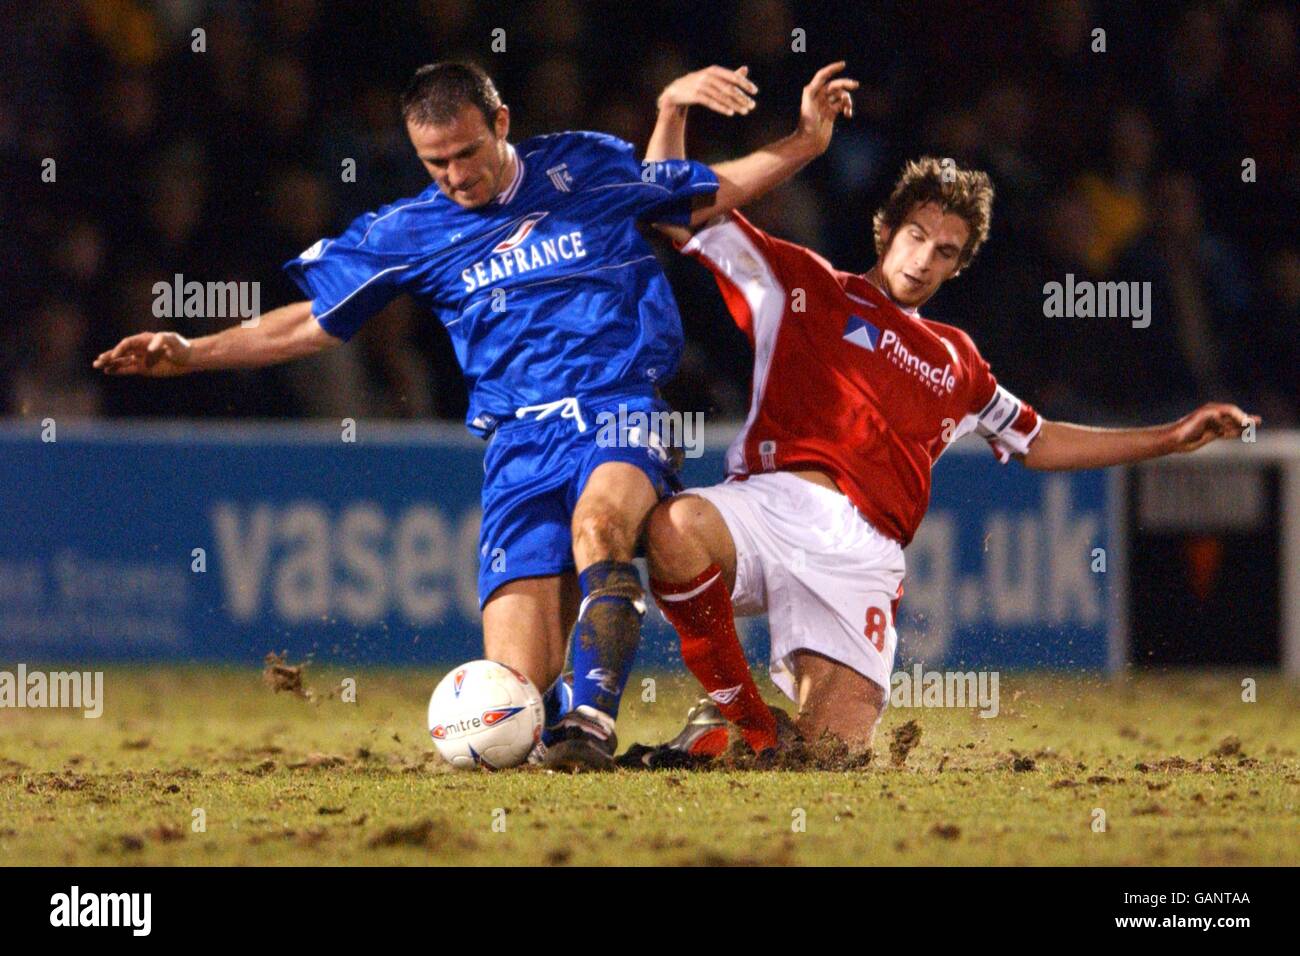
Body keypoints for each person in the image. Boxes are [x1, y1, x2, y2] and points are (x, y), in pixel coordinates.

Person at [93, 60, 857, 770]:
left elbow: (708, 189)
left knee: (601, 527)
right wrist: (192, 351)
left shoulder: (585, 164)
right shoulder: (412, 230)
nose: (456, 175)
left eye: (466, 153)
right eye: (436, 162)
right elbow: (307, 323)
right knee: (511, 705)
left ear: (501, 121)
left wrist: (803, 140)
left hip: (616, 409)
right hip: (518, 445)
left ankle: (592, 722)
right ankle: (584, 719)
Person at [641, 99, 1259, 757]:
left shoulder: (958, 361)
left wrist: (1168, 437)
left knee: (831, 755)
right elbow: (671, 205)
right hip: (770, 506)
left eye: (946, 251)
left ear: (957, 266)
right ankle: (750, 721)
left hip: (863, 554)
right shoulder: (801, 284)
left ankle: (728, 734)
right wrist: (681, 109)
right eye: (915, 236)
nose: (924, 259)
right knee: (673, 531)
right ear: (885, 232)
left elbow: (1040, 440)